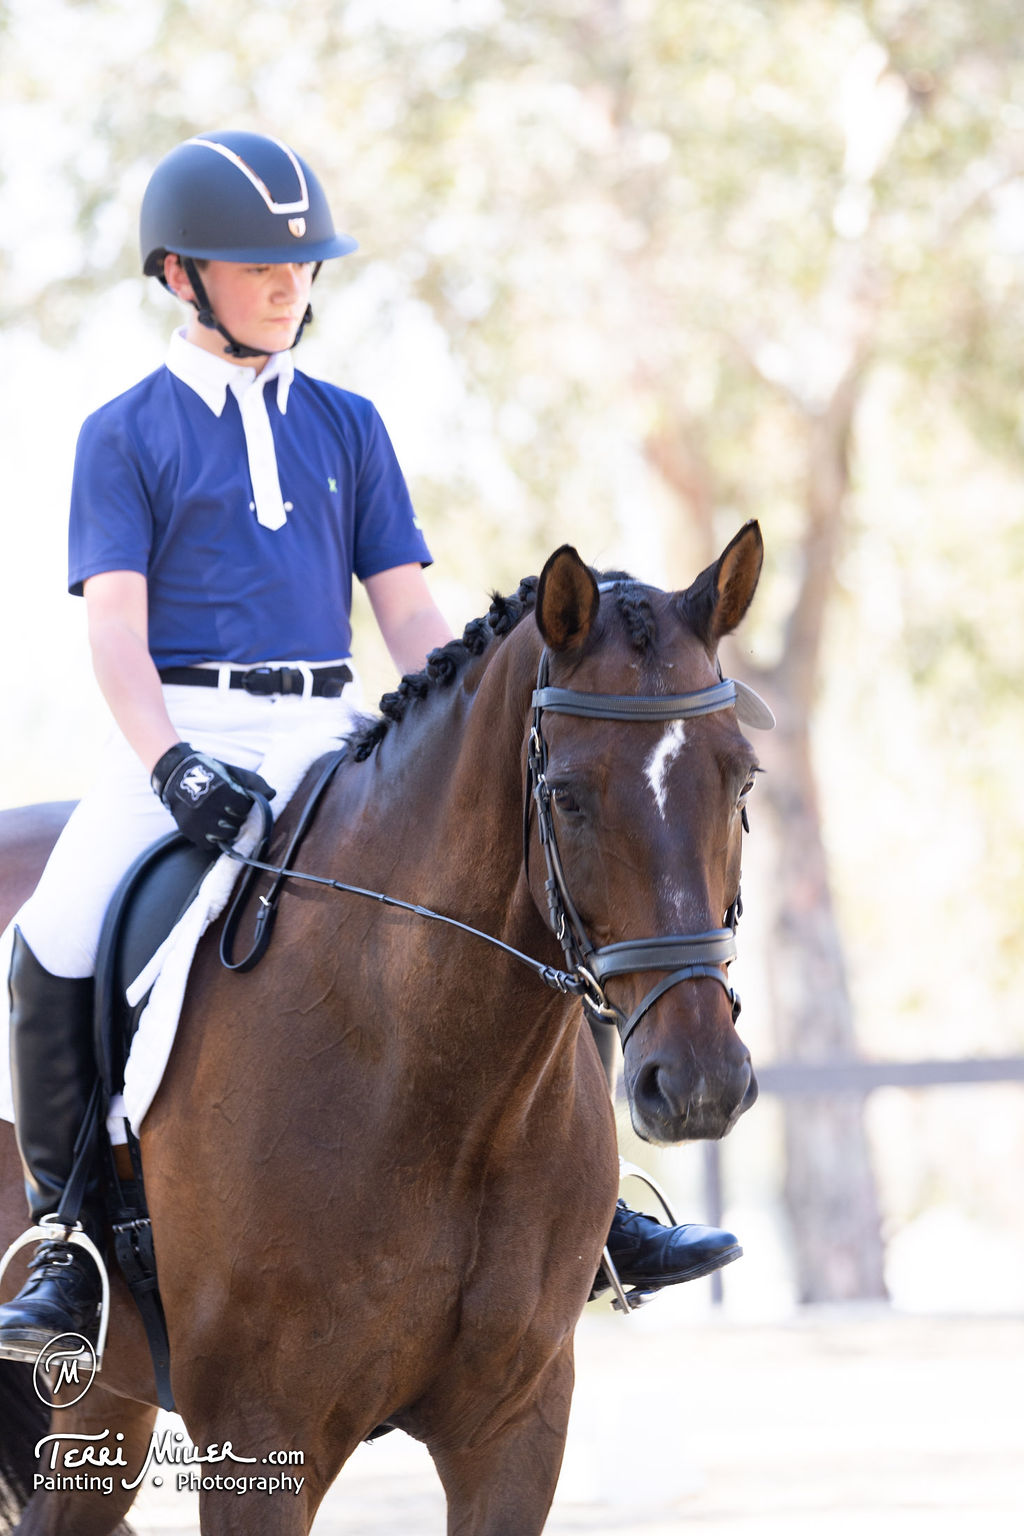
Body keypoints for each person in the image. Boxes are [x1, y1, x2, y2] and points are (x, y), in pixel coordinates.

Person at [0, 130, 740, 1362]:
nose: (288, 286)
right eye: (259, 268)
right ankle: (67, 1248)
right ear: (182, 276)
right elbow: (115, 634)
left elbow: (404, 615)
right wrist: (169, 763)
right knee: (52, 939)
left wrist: (479, 731)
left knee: (540, 876)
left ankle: (599, 1213)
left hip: (331, 724)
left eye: (301, 267)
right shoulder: (123, 432)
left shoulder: (348, 425)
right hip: (185, 726)